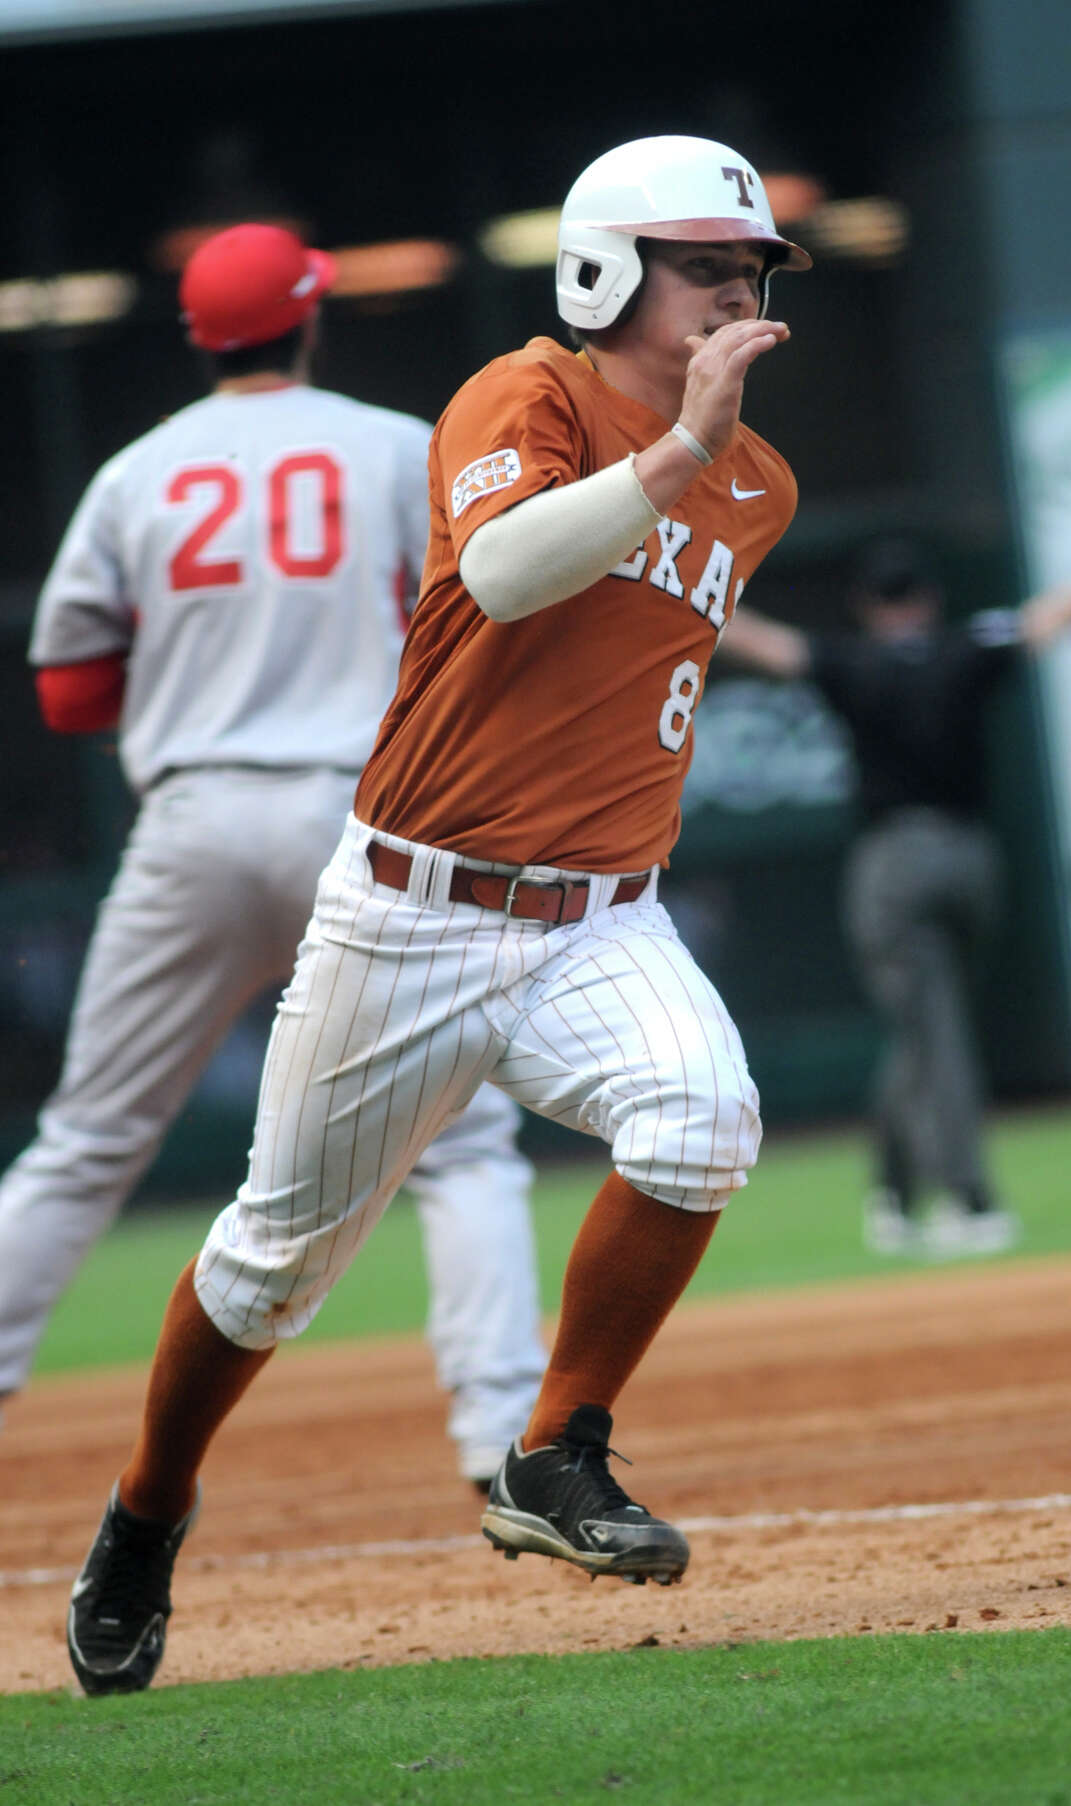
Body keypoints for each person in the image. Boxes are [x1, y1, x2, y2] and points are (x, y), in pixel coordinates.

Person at [64, 132, 810, 1696]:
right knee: (270, 1262)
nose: (737, 297)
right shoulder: (521, 391)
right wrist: (673, 450)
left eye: (750, 274)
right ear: (605, 270)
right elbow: (517, 570)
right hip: (410, 904)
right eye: (705, 270)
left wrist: (698, 453)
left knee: (702, 1115)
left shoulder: (761, 484)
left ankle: (554, 1448)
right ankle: (145, 1514)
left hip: (599, 917)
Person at [2, 223, 547, 1491]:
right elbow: (472, 632)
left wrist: (200, 667)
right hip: (361, 824)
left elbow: (70, 692)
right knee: (458, 1149)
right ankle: (493, 1432)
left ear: (199, 338)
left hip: (190, 821)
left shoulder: (138, 471)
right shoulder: (389, 444)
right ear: (312, 314)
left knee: (85, 1143)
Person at [719, 529, 1071, 1258]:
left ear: (864, 605)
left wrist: (653, 580)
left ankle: (968, 1200)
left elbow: (751, 639)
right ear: (931, 598)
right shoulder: (965, 648)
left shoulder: (852, 660)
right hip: (970, 861)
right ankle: (894, 1192)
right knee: (930, 1028)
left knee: (931, 1030)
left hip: (894, 865)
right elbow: (1068, 609)